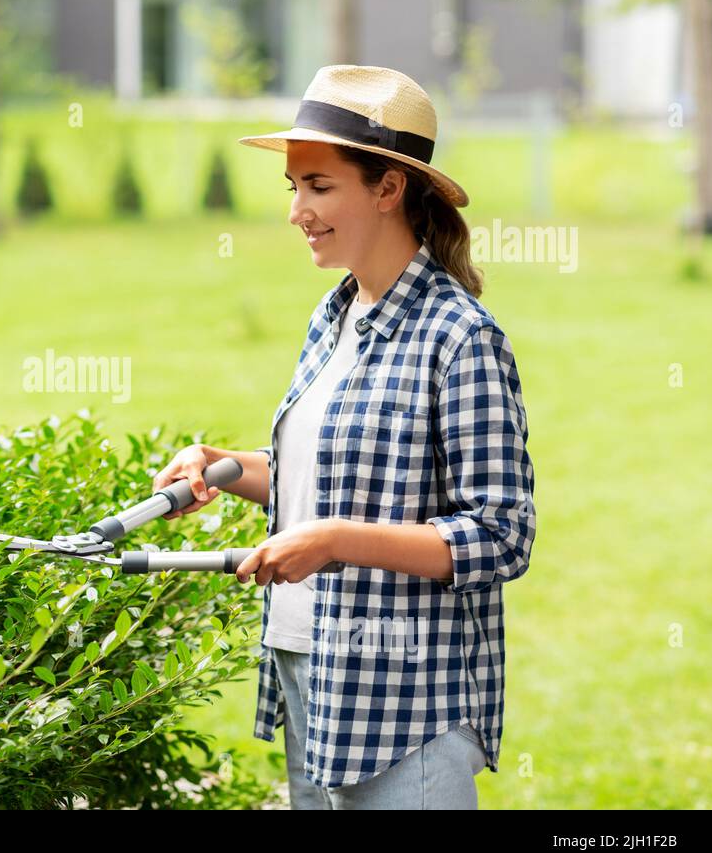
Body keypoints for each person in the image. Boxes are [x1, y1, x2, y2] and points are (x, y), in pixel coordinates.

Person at [152, 65, 536, 810]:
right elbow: (333, 470)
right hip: (312, 667)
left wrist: (332, 539)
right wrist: (223, 467)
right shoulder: (334, 316)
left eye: (319, 186)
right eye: (292, 187)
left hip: (405, 701)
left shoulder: (459, 338)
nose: (298, 210)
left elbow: (501, 536)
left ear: (389, 187)